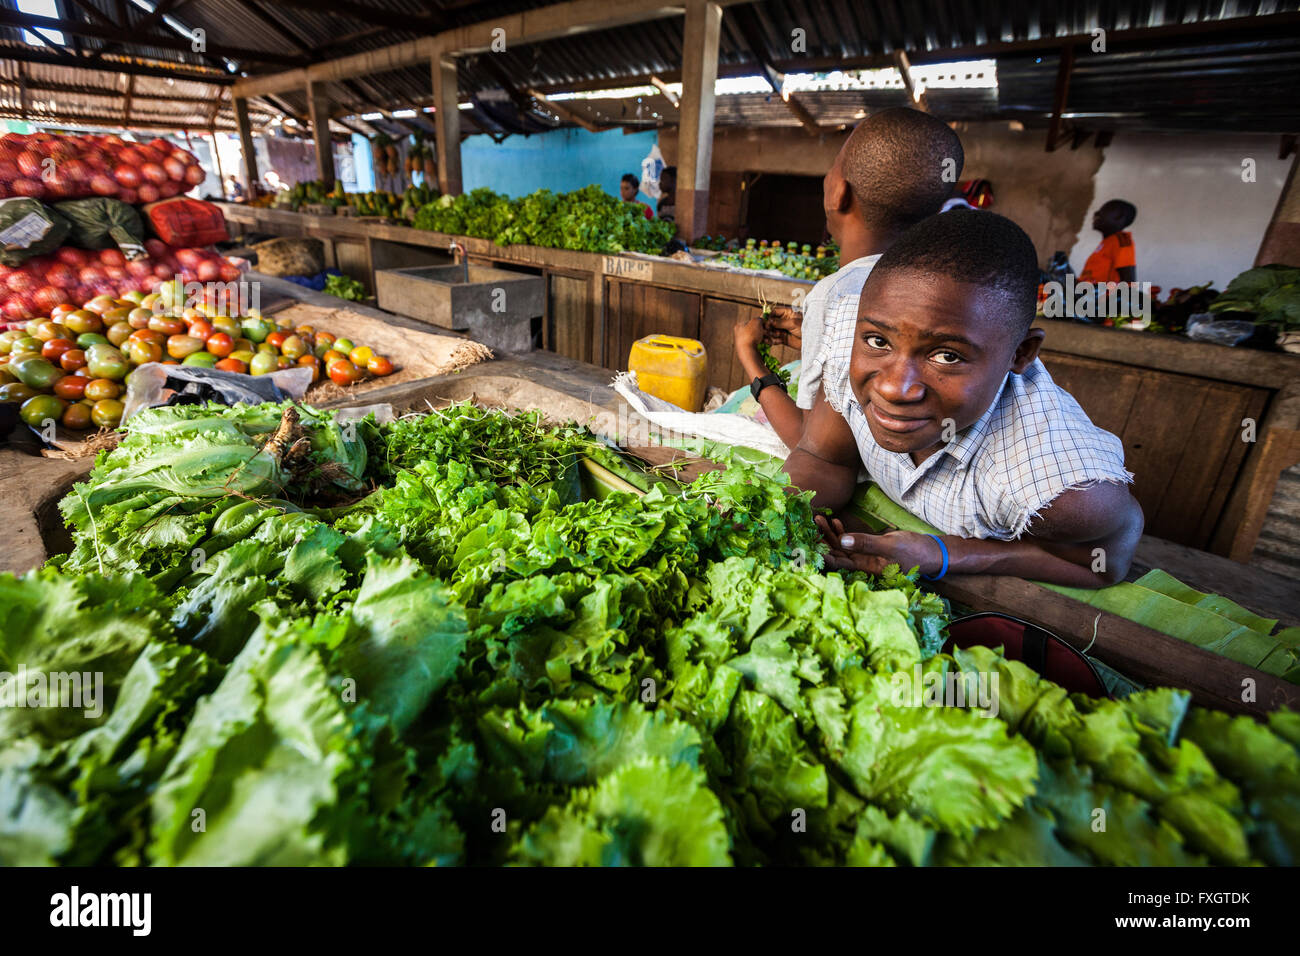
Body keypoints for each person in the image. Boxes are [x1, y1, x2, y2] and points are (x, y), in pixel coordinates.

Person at [784, 210, 1143, 589]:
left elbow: (1104, 562)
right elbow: (824, 457)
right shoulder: (847, 339)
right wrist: (771, 515)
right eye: (879, 341)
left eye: (947, 356)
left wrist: (942, 553)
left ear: (1020, 354)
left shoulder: (1057, 487)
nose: (894, 388)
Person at [732, 108, 965, 451]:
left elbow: (809, 444)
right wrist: (814, 334)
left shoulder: (836, 294)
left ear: (838, 191)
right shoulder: (940, 282)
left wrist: (750, 357)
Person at [1078, 199, 1137, 284]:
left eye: (1104, 210)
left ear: (1119, 216)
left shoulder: (1122, 241)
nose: (1096, 213)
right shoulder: (1105, 244)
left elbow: (1129, 280)